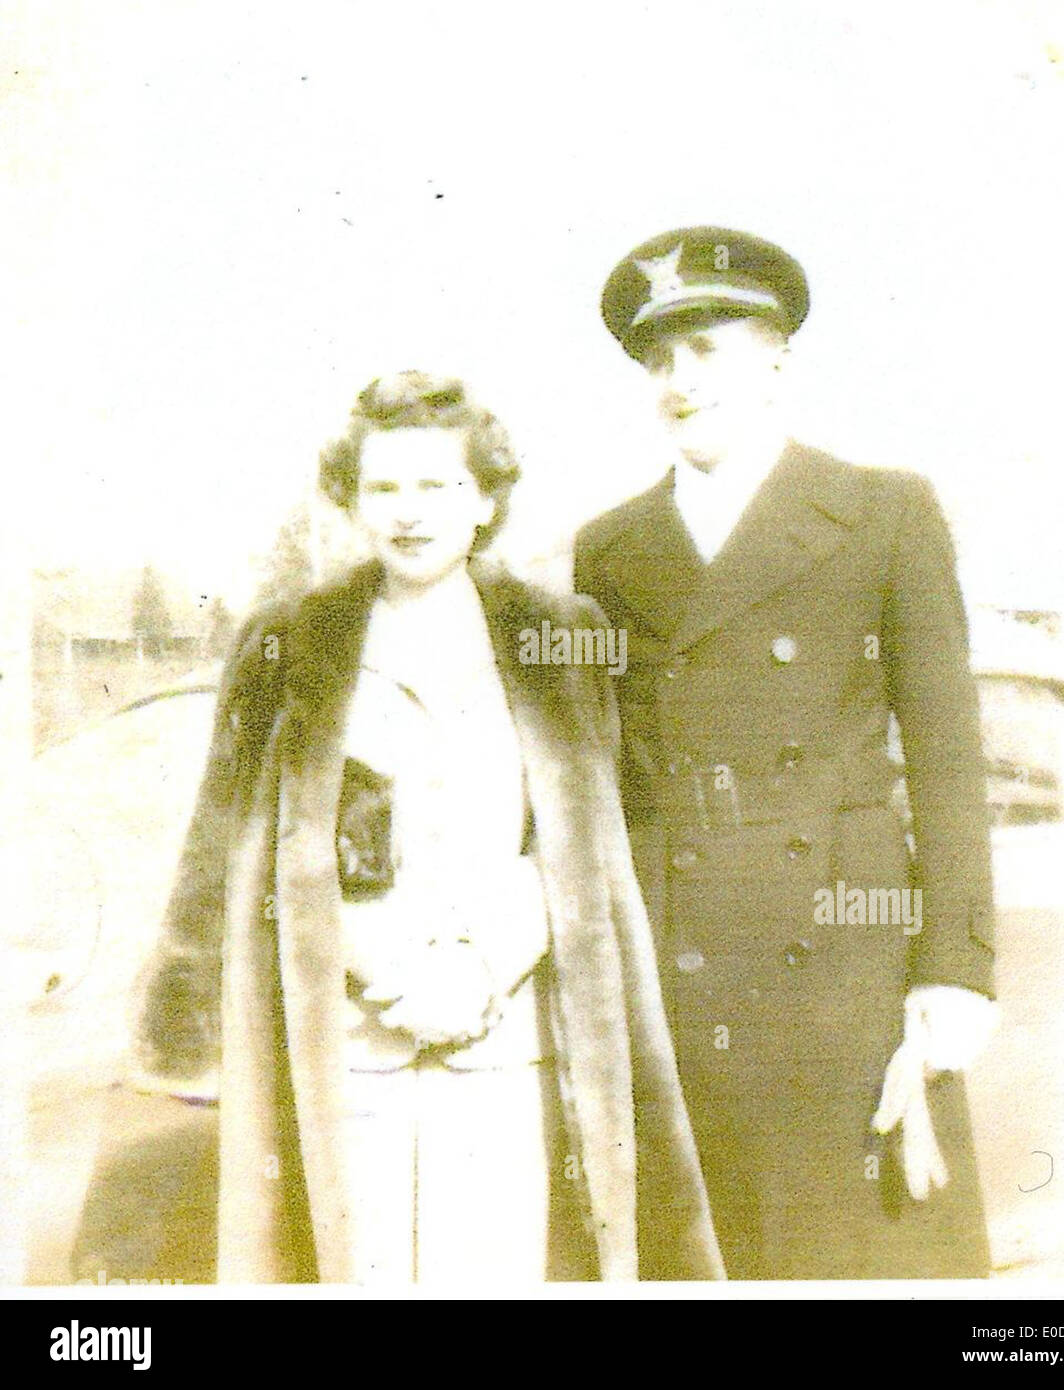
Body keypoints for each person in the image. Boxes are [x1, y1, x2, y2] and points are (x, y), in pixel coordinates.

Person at [134, 370, 723, 1283]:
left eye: (437, 486)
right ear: (350, 501)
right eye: (383, 487)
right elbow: (241, 847)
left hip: (506, 1042)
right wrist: (386, 964)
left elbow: (587, 849)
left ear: (484, 500)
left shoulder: (560, 636)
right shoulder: (291, 641)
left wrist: (479, 965)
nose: (408, 513)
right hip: (349, 1046)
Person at [574, 226, 999, 1279]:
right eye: (658, 359)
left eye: (708, 349)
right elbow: (600, 774)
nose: (680, 381)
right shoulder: (610, 546)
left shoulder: (882, 511)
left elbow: (946, 756)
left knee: (856, 1258)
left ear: (776, 359)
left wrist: (955, 969)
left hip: (849, 959)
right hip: (681, 960)